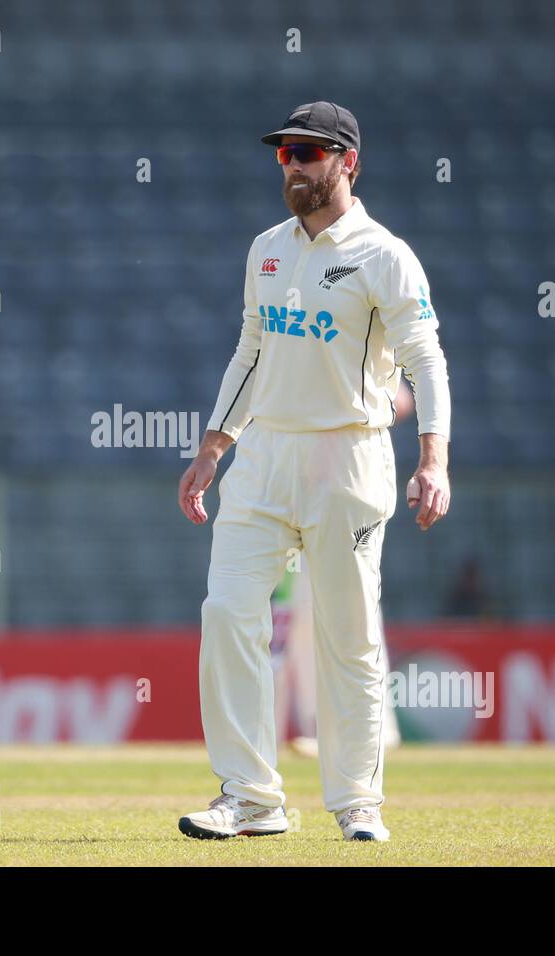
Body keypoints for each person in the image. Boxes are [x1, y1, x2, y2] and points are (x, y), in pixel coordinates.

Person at [176, 102, 452, 841]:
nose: (294, 165)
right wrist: (213, 446)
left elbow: (426, 362)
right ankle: (251, 797)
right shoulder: (266, 248)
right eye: (285, 155)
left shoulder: (384, 254)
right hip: (264, 455)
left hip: (349, 454)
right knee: (227, 612)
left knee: (347, 635)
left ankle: (357, 801)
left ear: (347, 162)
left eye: (309, 152)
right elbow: (251, 349)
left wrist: (433, 459)